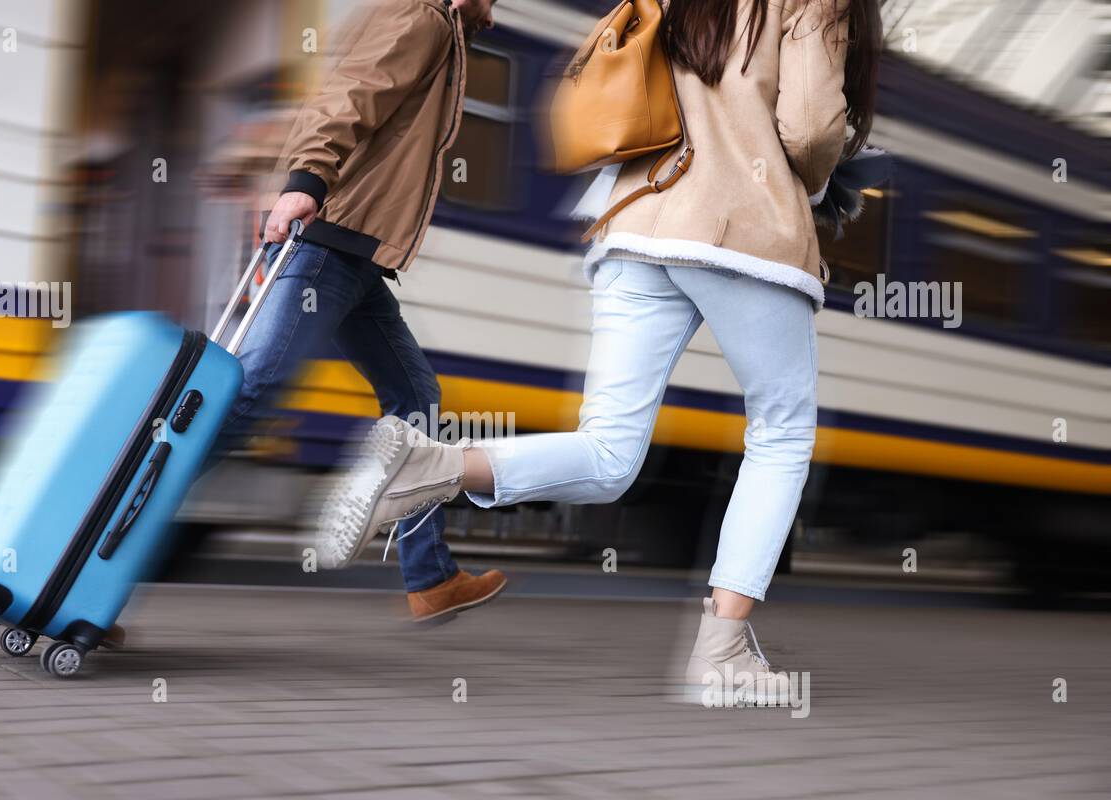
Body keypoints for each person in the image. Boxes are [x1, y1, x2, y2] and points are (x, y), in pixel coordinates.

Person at [315, 0, 881, 701]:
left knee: (609, 449)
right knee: (782, 431)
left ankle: (429, 462)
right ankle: (724, 652)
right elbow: (812, 126)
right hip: (742, 230)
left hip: (636, 225)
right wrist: (820, 183)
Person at [227, 0, 506, 624]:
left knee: (415, 398)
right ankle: (90, 545)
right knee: (244, 398)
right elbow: (350, 96)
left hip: (352, 253)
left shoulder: (443, 24)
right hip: (332, 242)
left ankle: (431, 577)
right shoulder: (424, 17)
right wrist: (305, 182)